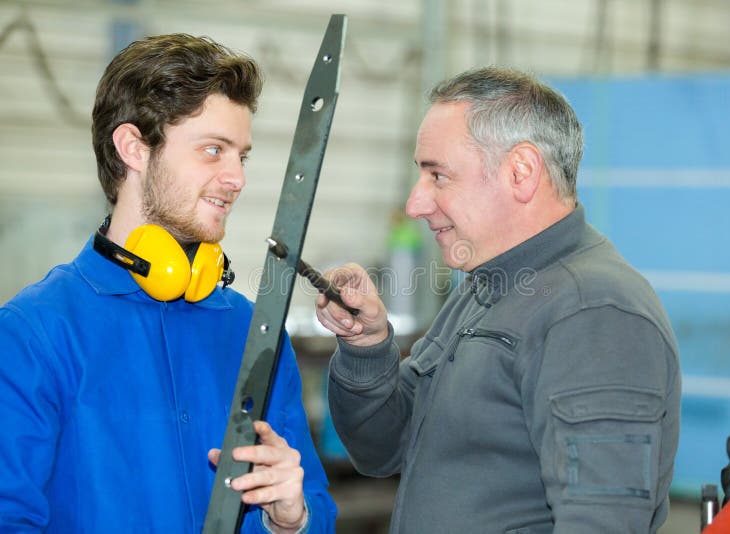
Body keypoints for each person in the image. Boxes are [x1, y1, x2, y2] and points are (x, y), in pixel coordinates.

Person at [315, 67, 681, 533]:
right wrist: (367, 347)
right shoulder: (488, 290)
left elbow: (601, 522)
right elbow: (383, 448)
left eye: (438, 175)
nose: (416, 203)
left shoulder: (593, 313)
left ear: (521, 172)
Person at [0, 34, 336, 533]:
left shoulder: (253, 332)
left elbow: (315, 507)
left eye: (240, 156)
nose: (236, 178)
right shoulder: (34, 334)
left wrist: (291, 519)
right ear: (134, 148)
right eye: (213, 150)